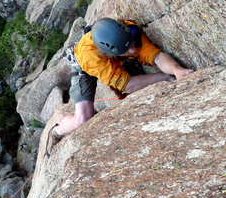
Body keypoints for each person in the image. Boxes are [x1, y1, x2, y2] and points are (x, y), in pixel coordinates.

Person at [48, 18, 193, 149]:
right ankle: (56, 131)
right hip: (83, 66)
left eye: (131, 44)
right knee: (83, 119)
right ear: (109, 54)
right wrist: (165, 77)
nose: (133, 49)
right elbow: (128, 85)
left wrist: (176, 70)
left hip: (111, 54)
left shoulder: (128, 32)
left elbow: (155, 56)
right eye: (126, 49)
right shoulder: (92, 58)